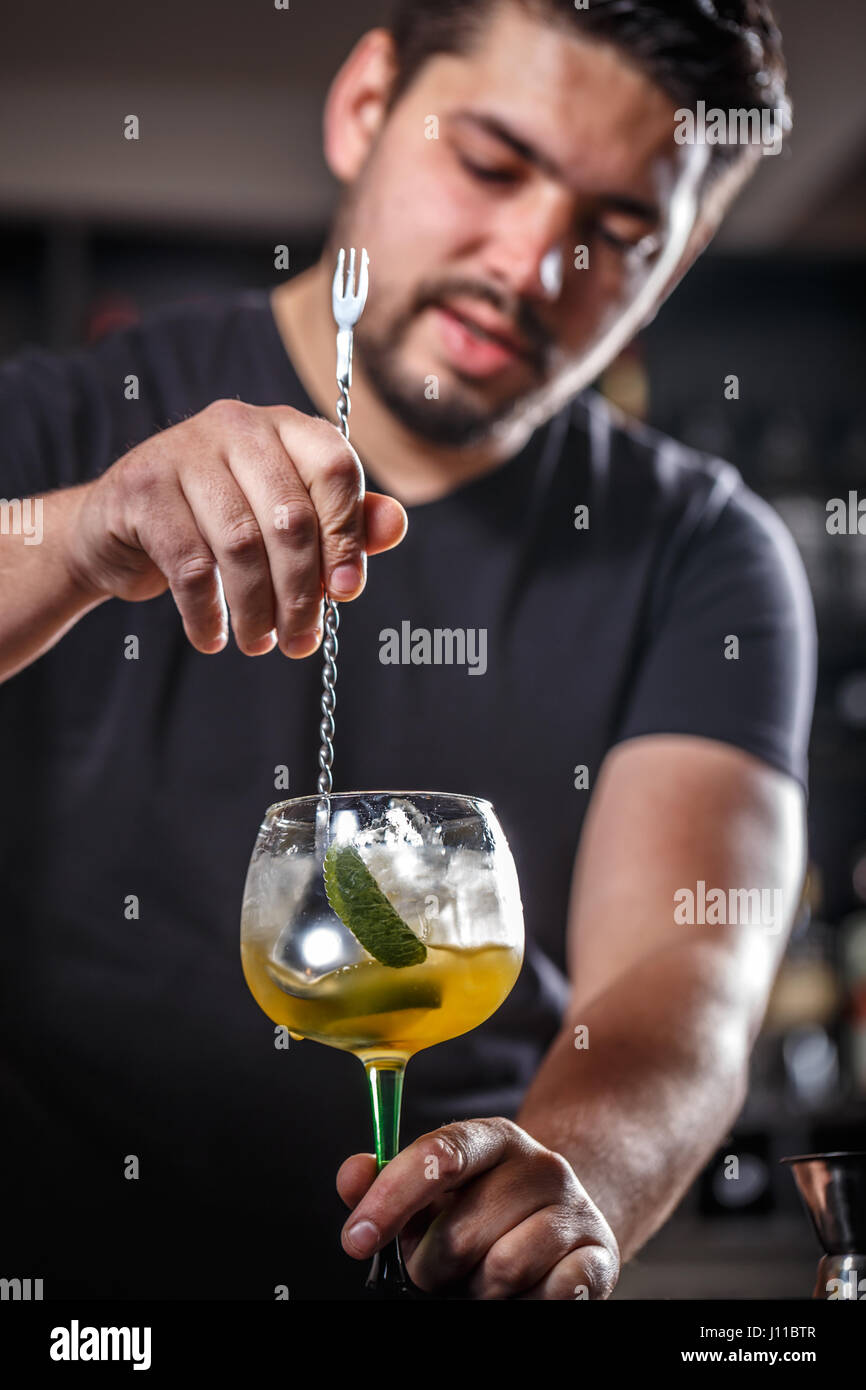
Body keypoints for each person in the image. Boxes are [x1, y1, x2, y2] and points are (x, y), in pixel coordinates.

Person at [0, 0, 816, 1300]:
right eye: (491, 164)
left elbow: (682, 975)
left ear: (681, 256)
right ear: (363, 103)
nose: (530, 263)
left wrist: (575, 1169)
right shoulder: (49, 430)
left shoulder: (703, 552)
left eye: (617, 234)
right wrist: (82, 544)